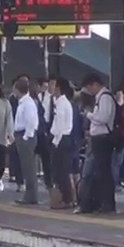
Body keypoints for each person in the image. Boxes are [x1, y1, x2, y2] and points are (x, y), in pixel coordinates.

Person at [77, 73, 116, 215]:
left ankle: (107, 204)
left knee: (103, 172)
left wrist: (89, 114)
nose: (89, 91)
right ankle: (101, 202)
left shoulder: (105, 97)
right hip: (99, 138)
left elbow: (103, 117)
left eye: (89, 87)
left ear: (95, 84)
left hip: (103, 138)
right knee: (100, 172)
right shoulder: (100, 97)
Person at [12, 80, 41, 205]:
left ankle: (31, 196)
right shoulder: (23, 102)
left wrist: (26, 137)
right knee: (26, 167)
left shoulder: (28, 103)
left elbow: (31, 122)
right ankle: (30, 195)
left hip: (26, 136)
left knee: (29, 167)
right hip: (22, 135)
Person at [48, 77, 76, 209]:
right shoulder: (61, 102)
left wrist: (55, 141)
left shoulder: (62, 103)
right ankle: (66, 198)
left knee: (61, 171)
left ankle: (66, 199)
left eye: (53, 85)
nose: (51, 88)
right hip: (62, 139)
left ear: (58, 88)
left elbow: (59, 125)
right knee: (61, 171)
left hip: (61, 139)